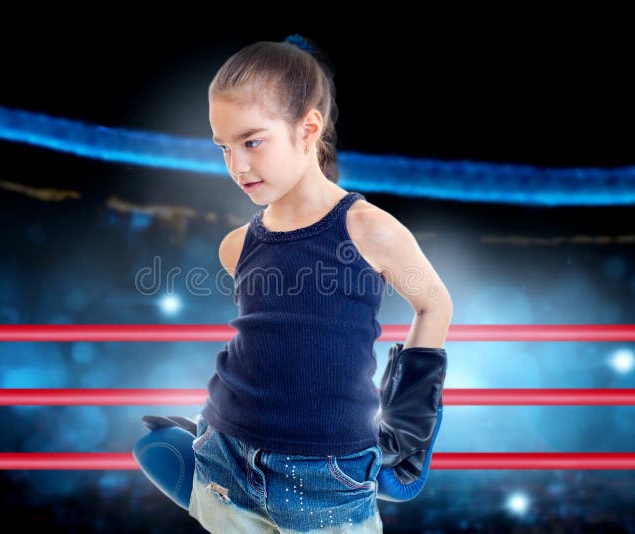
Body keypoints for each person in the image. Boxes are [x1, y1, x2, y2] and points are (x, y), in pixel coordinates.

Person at [134, 33, 453, 533]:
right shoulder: (235, 247)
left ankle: (192, 476)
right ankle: (199, 472)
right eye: (224, 147)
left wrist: (407, 425)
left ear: (308, 128)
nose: (236, 165)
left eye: (252, 141)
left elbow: (435, 305)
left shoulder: (370, 230)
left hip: (330, 478)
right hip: (227, 456)